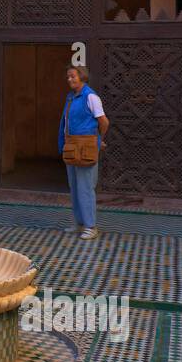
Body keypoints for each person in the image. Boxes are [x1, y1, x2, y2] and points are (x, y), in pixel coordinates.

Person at [59, 64, 110, 241]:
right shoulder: (71, 97)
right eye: (68, 77)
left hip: (86, 146)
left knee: (86, 187)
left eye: (73, 76)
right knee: (74, 186)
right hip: (72, 145)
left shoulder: (91, 97)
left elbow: (103, 122)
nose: (70, 79)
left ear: (82, 77)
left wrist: (98, 140)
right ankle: (79, 223)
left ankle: (90, 226)